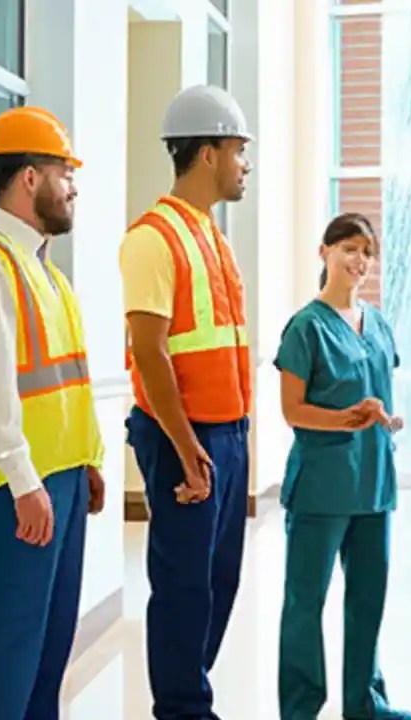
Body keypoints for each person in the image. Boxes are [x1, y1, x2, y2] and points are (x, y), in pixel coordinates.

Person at [0, 106, 106, 720]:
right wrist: (23, 479)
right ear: (30, 178)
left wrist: (88, 459)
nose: (73, 185)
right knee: (5, 651)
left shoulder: (45, 272)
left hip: (59, 482)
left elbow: (68, 384)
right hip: (19, 491)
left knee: (46, 650)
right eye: (65, 171)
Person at [119, 84, 254, 720]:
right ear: (207, 154)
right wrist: (185, 444)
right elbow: (150, 351)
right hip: (185, 438)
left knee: (218, 581)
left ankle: (189, 697)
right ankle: (181, 709)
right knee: (183, 587)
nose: (244, 163)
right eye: (238, 150)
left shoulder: (214, 239)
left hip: (225, 434)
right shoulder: (152, 238)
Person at [274, 213, 411, 720]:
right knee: (305, 603)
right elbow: (292, 410)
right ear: (324, 252)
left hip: (375, 482)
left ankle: (365, 704)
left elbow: (379, 393)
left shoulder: (376, 322)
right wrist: (343, 420)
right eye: (349, 249)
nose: (359, 261)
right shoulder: (306, 327)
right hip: (322, 486)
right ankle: (300, 707)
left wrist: (386, 420)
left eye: (367, 253)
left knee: (367, 601)